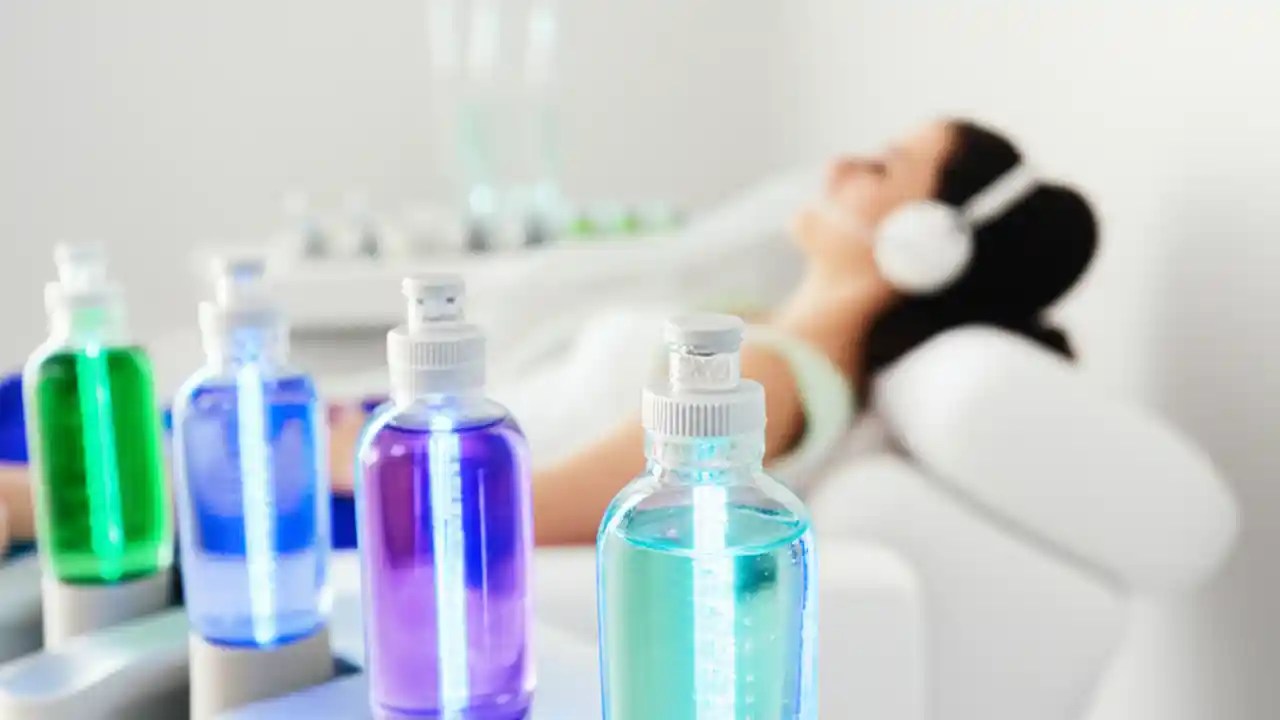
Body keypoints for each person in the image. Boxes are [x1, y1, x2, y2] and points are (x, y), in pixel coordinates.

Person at [0, 118, 1097, 553]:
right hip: (386, 456)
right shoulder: (761, 333)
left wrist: (344, 453)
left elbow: (541, 512)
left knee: (52, 459)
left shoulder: (767, 378)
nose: (842, 165)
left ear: (921, 240)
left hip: (385, 503)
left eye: (883, 166)